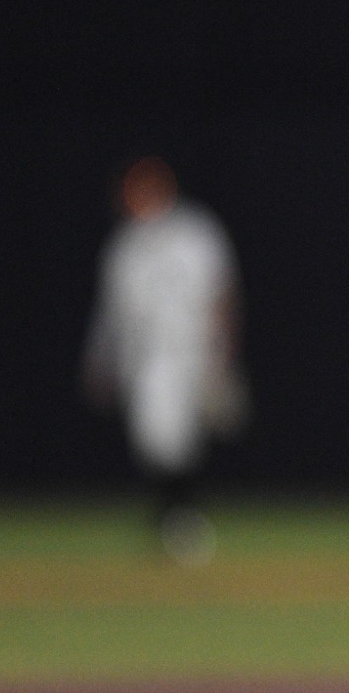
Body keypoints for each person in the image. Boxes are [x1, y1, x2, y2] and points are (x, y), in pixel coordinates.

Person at [82, 156, 244, 566]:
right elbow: (111, 313)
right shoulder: (125, 245)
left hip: (192, 351)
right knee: (157, 440)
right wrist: (100, 361)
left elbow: (221, 294)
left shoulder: (195, 232)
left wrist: (223, 354)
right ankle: (177, 519)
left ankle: (180, 519)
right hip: (147, 358)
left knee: (185, 437)